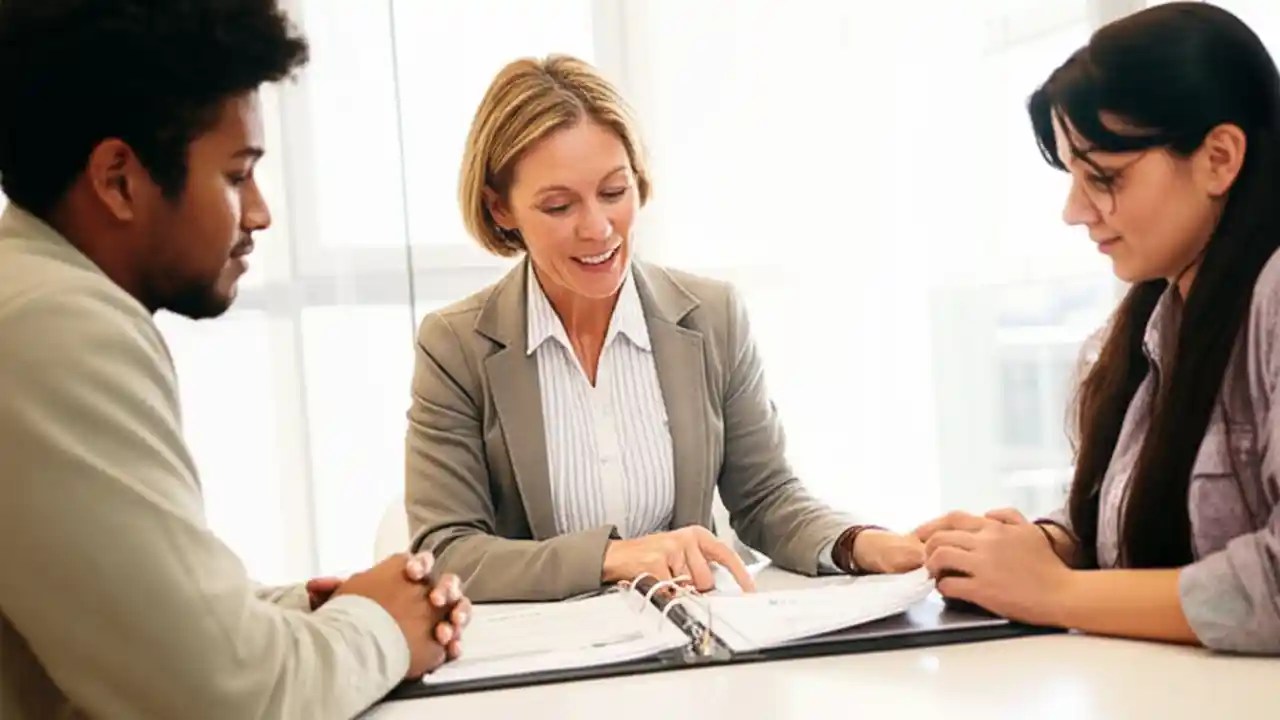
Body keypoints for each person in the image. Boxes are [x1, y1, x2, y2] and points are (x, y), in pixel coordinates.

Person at [0, 2, 469, 717]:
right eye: (236, 175)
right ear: (119, 179)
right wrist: (383, 627)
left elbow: (107, 602)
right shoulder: (56, 327)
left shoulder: (30, 295)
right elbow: (230, 696)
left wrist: (306, 613)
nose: (259, 213)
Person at [405, 54, 924, 603]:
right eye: (559, 206)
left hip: (695, 643)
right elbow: (446, 551)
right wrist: (611, 558)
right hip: (551, 662)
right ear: (500, 209)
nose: (598, 228)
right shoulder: (455, 346)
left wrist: (858, 543)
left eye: (614, 191)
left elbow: (765, 497)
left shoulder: (713, 315)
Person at [916, 2, 1280, 654]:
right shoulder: (1154, 318)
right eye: (1073, 177)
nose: (1074, 211)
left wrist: (1053, 592)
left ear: (1220, 158)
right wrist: (1040, 547)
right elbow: (1140, 527)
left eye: (1103, 178)